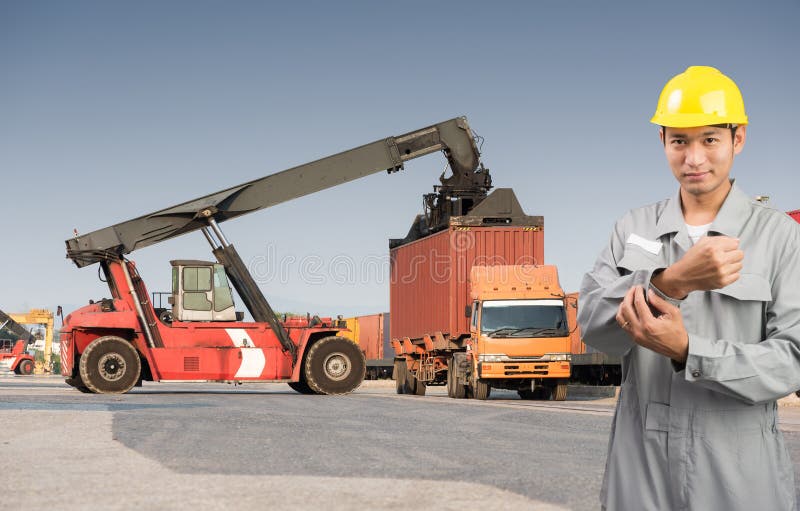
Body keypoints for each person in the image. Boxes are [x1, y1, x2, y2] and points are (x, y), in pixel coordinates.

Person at [578, 65, 800, 510]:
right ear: (662, 141)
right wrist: (668, 281)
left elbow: (792, 361)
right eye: (680, 140)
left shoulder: (779, 237)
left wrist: (689, 351)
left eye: (710, 140)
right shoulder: (632, 228)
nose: (694, 158)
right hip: (640, 469)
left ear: (738, 139)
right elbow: (592, 328)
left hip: (739, 474)